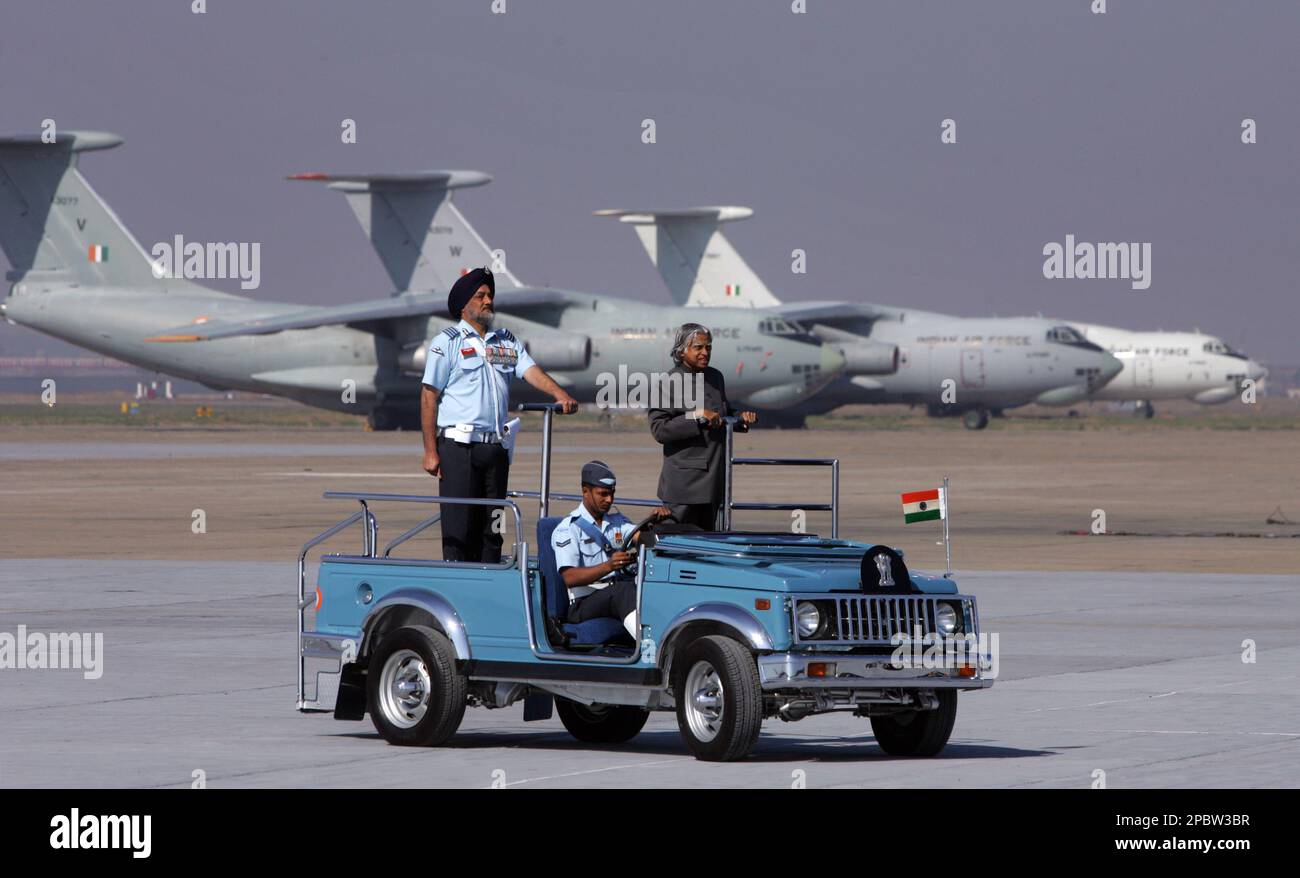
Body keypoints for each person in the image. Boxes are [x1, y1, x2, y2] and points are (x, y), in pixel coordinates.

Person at [421, 267, 577, 562]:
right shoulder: (448, 343)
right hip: (459, 448)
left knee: (493, 528)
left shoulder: (504, 341)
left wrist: (560, 394)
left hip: (495, 449)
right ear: (464, 305)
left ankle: (489, 586)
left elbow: (530, 370)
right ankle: (458, 590)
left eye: (490, 295)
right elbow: (429, 396)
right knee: (460, 529)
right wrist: (430, 451)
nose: (488, 300)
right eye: (480, 296)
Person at [648, 323, 757, 530]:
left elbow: (721, 414)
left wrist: (739, 418)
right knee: (677, 544)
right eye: (698, 347)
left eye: (708, 347)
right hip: (684, 486)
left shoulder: (715, 377)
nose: (705, 353)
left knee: (710, 550)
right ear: (682, 350)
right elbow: (660, 429)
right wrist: (696, 417)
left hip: (715, 484)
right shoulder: (669, 381)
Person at [551, 461, 667, 640]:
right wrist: (609, 566)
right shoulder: (568, 529)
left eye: (612, 494)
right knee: (622, 592)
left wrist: (655, 523)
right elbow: (570, 577)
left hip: (616, 592)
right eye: (602, 494)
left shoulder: (616, 522)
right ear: (585, 492)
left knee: (651, 586)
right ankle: (650, 647)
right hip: (584, 603)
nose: (609, 500)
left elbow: (640, 538)